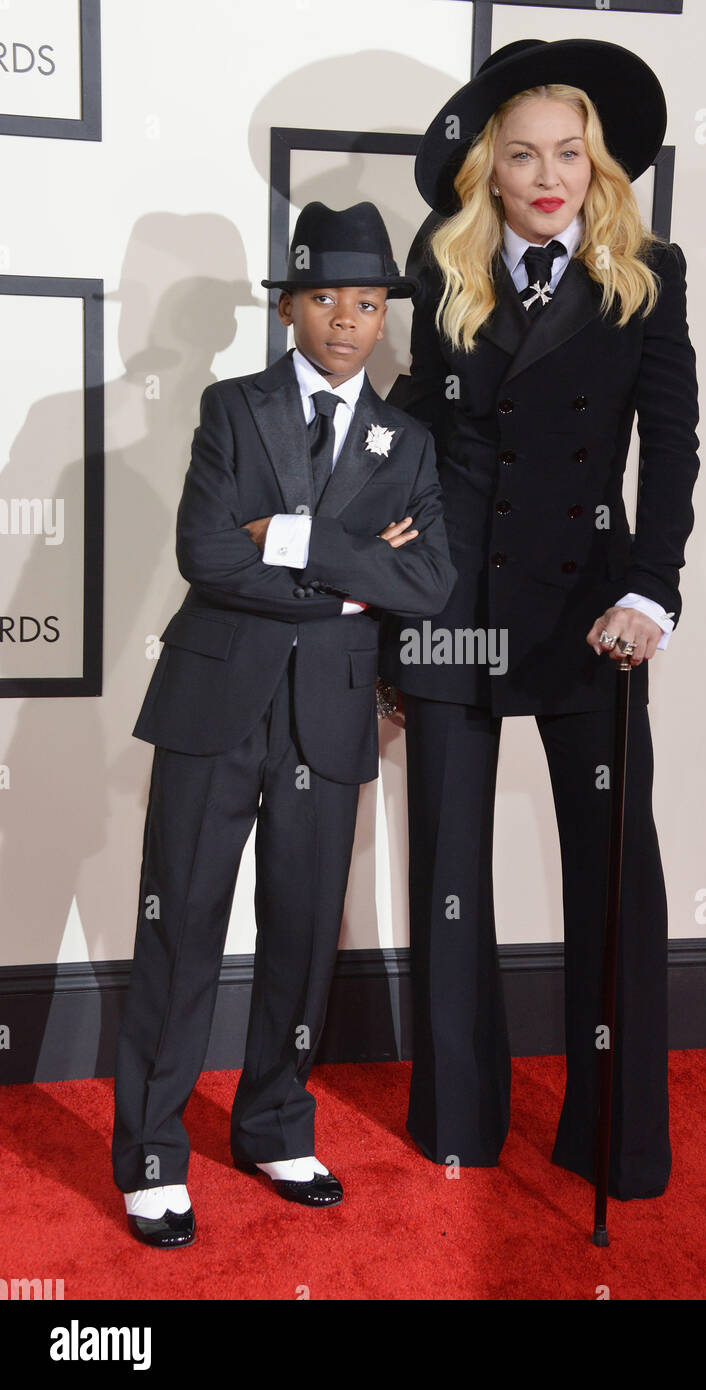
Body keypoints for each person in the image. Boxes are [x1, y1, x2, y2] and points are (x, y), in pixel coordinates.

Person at [381, 39, 700, 1199]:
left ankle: (617, 1135)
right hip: (455, 609)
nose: (548, 173)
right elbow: (423, 427)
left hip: (587, 611)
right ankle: (459, 1115)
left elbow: (669, 446)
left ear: (596, 163)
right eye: (522, 154)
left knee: (616, 876)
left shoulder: (645, 268)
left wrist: (648, 589)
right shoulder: (444, 263)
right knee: (448, 873)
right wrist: (378, 574)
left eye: (568, 151)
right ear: (490, 170)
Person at [111, 200, 456, 1247]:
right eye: (323, 299)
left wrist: (293, 537)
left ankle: (272, 1122)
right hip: (213, 705)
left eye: (365, 302)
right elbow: (204, 555)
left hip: (331, 714)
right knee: (183, 930)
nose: (345, 321)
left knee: (303, 933)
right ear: (289, 307)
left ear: (384, 312)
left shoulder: (409, 439)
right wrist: (355, 569)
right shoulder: (232, 408)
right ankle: (153, 1155)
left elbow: (429, 582)